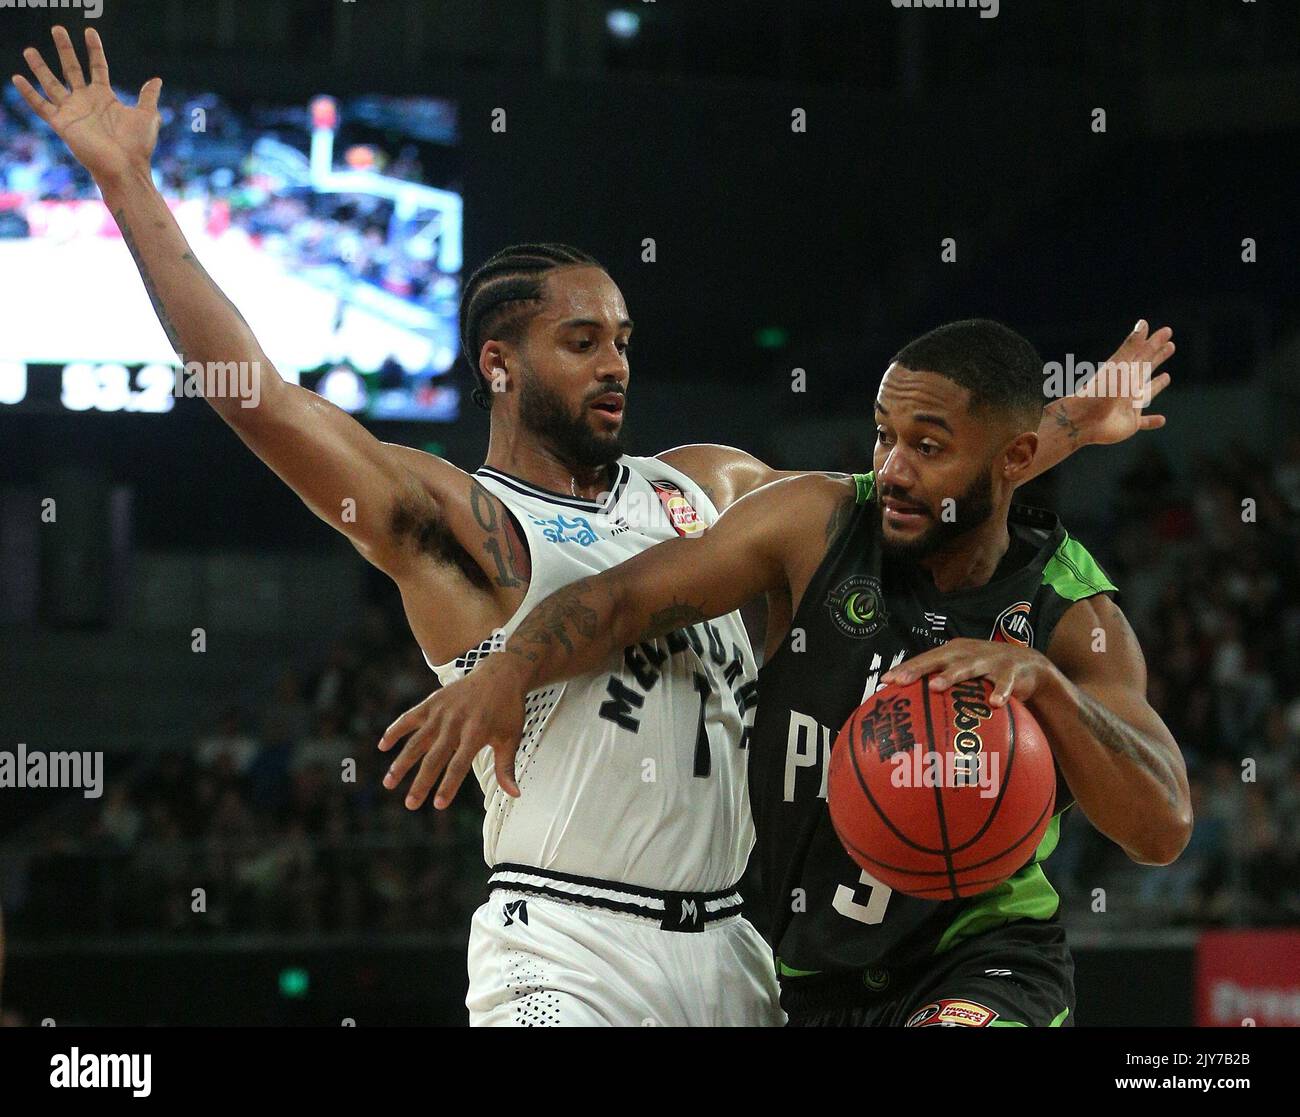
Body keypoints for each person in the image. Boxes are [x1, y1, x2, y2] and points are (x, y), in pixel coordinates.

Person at [14, 27, 1173, 1027]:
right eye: (582, 342)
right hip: (563, 946)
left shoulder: (708, 488)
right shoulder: (461, 524)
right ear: (499, 365)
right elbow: (257, 395)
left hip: (734, 950)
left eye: (622, 337)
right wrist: (128, 189)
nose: (616, 362)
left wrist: (1072, 420)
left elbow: (914, 479)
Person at [383, 319, 1192, 1028]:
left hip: (979, 957)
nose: (895, 467)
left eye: (928, 446)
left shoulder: (1069, 608)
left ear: (1012, 459)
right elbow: (627, 600)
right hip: (805, 979)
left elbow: (1161, 827)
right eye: (884, 435)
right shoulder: (821, 523)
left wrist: (1042, 684)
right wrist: (508, 670)